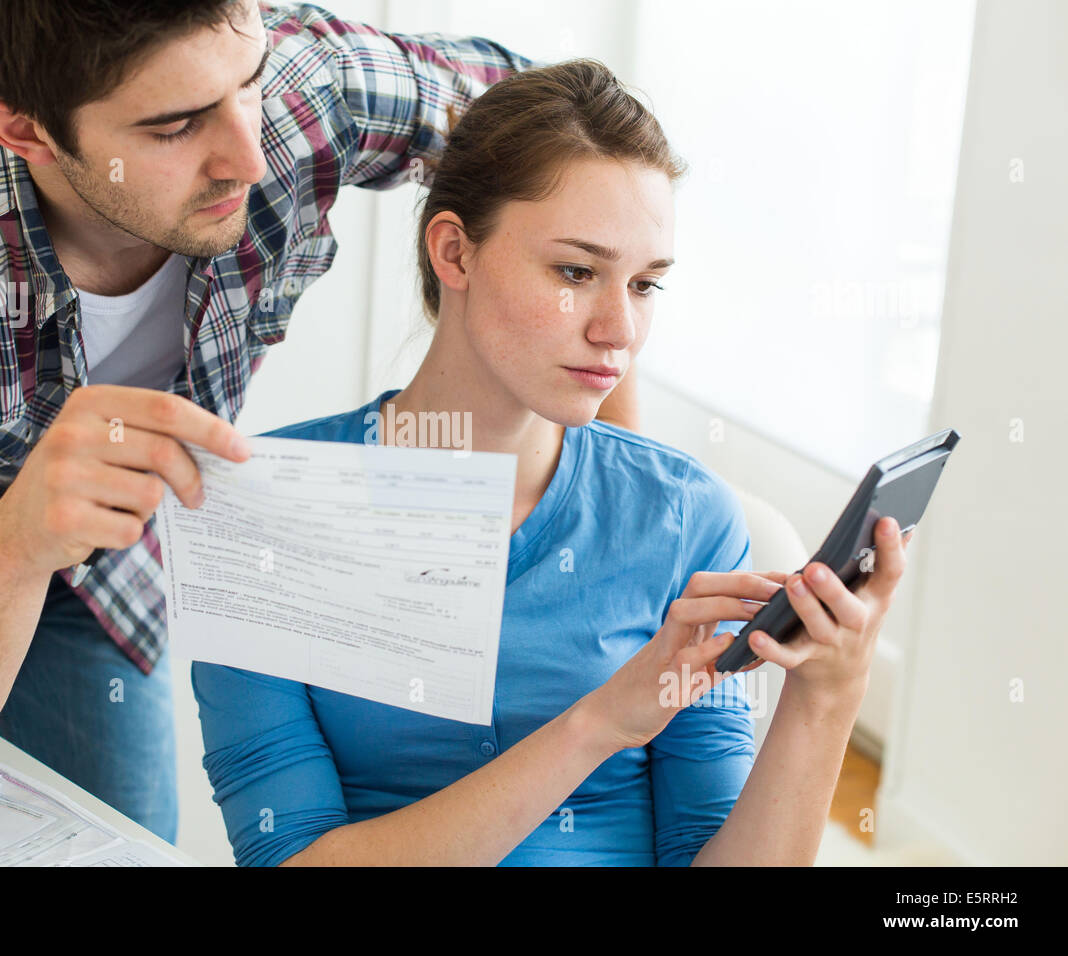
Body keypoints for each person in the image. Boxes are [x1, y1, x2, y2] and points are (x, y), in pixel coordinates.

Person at [0, 1, 654, 840]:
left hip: (103, 559)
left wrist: (632, 503)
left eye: (250, 81)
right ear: (24, 131)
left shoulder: (308, 94)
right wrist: (11, 546)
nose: (251, 156)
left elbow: (577, 149)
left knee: (126, 846)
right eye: (175, 125)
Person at [191, 58, 915, 866]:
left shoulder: (684, 518)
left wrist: (830, 692)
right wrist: (598, 724)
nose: (620, 330)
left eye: (644, 285)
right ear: (455, 253)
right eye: (576, 272)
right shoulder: (268, 505)